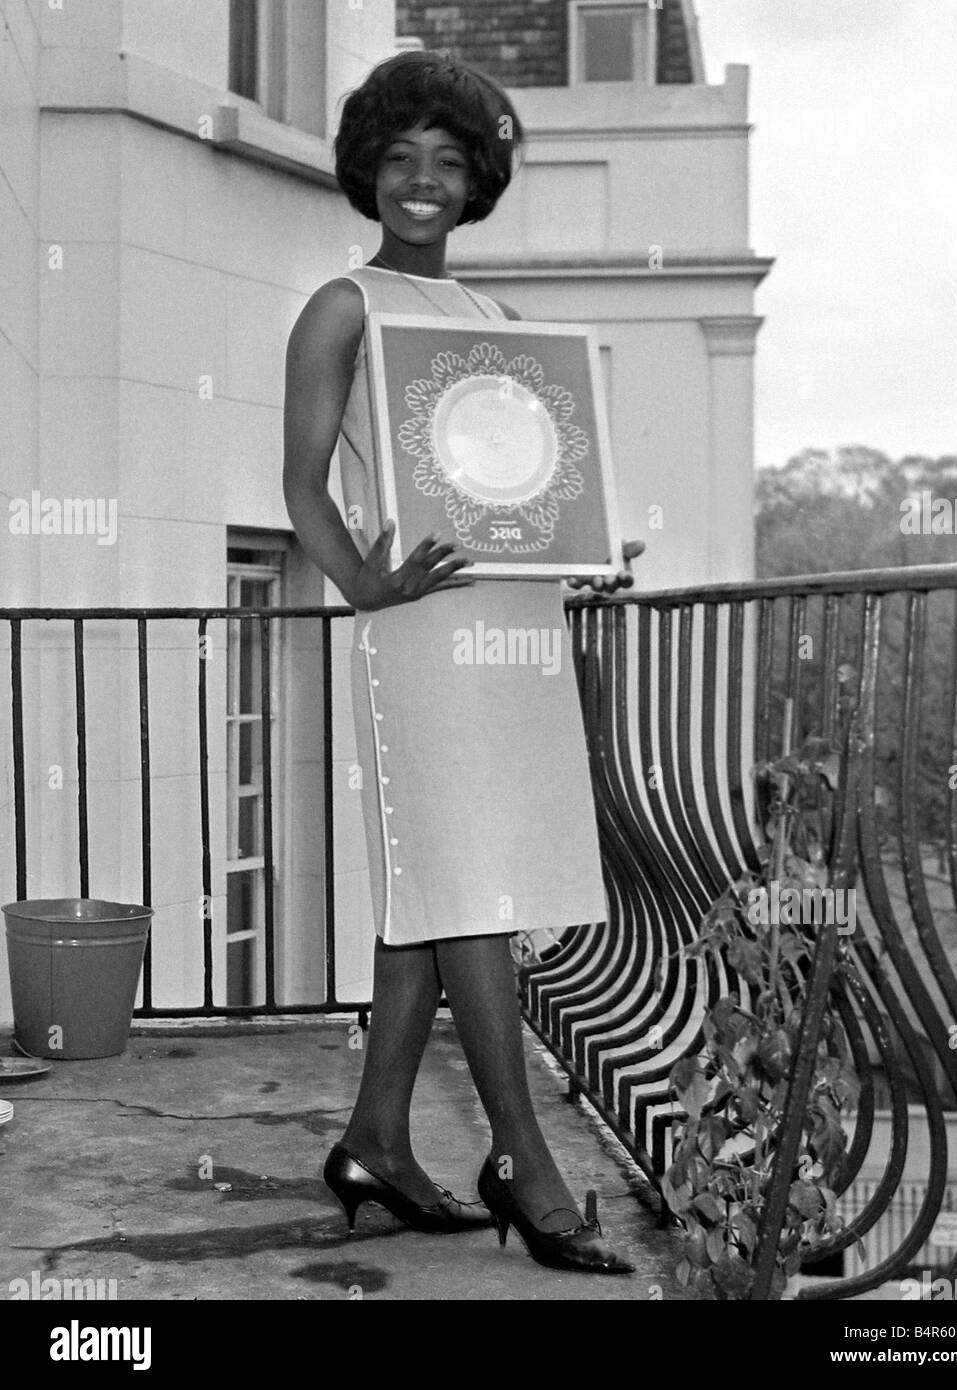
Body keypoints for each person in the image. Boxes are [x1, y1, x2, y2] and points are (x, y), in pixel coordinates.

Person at [283, 49, 639, 1275]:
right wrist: (365, 585)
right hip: (422, 630)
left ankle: (376, 1139)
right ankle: (521, 1160)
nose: (422, 183)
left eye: (447, 162)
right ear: (367, 173)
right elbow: (301, 487)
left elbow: (518, 484)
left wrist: (585, 536)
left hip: (514, 637)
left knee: (437, 893)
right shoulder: (343, 306)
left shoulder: (495, 324)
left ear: (475, 179)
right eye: (399, 160)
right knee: (471, 887)